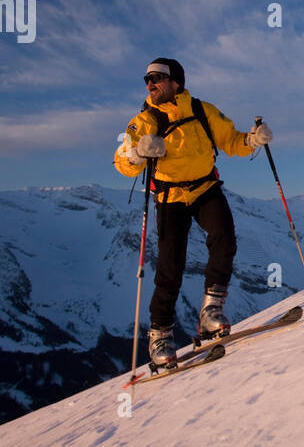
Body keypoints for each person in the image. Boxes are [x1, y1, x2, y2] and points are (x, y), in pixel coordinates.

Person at [114, 58, 273, 367]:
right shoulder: (144, 121)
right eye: (147, 78)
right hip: (170, 194)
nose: (150, 83)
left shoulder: (202, 111)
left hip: (204, 187)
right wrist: (137, 152)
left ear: (176, 81)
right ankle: (160, 334)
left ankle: (211, 310)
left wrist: (252, 140)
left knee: (224, 238)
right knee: (171, 264)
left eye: (157, 77)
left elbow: (231, 141)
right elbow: (122, 162)